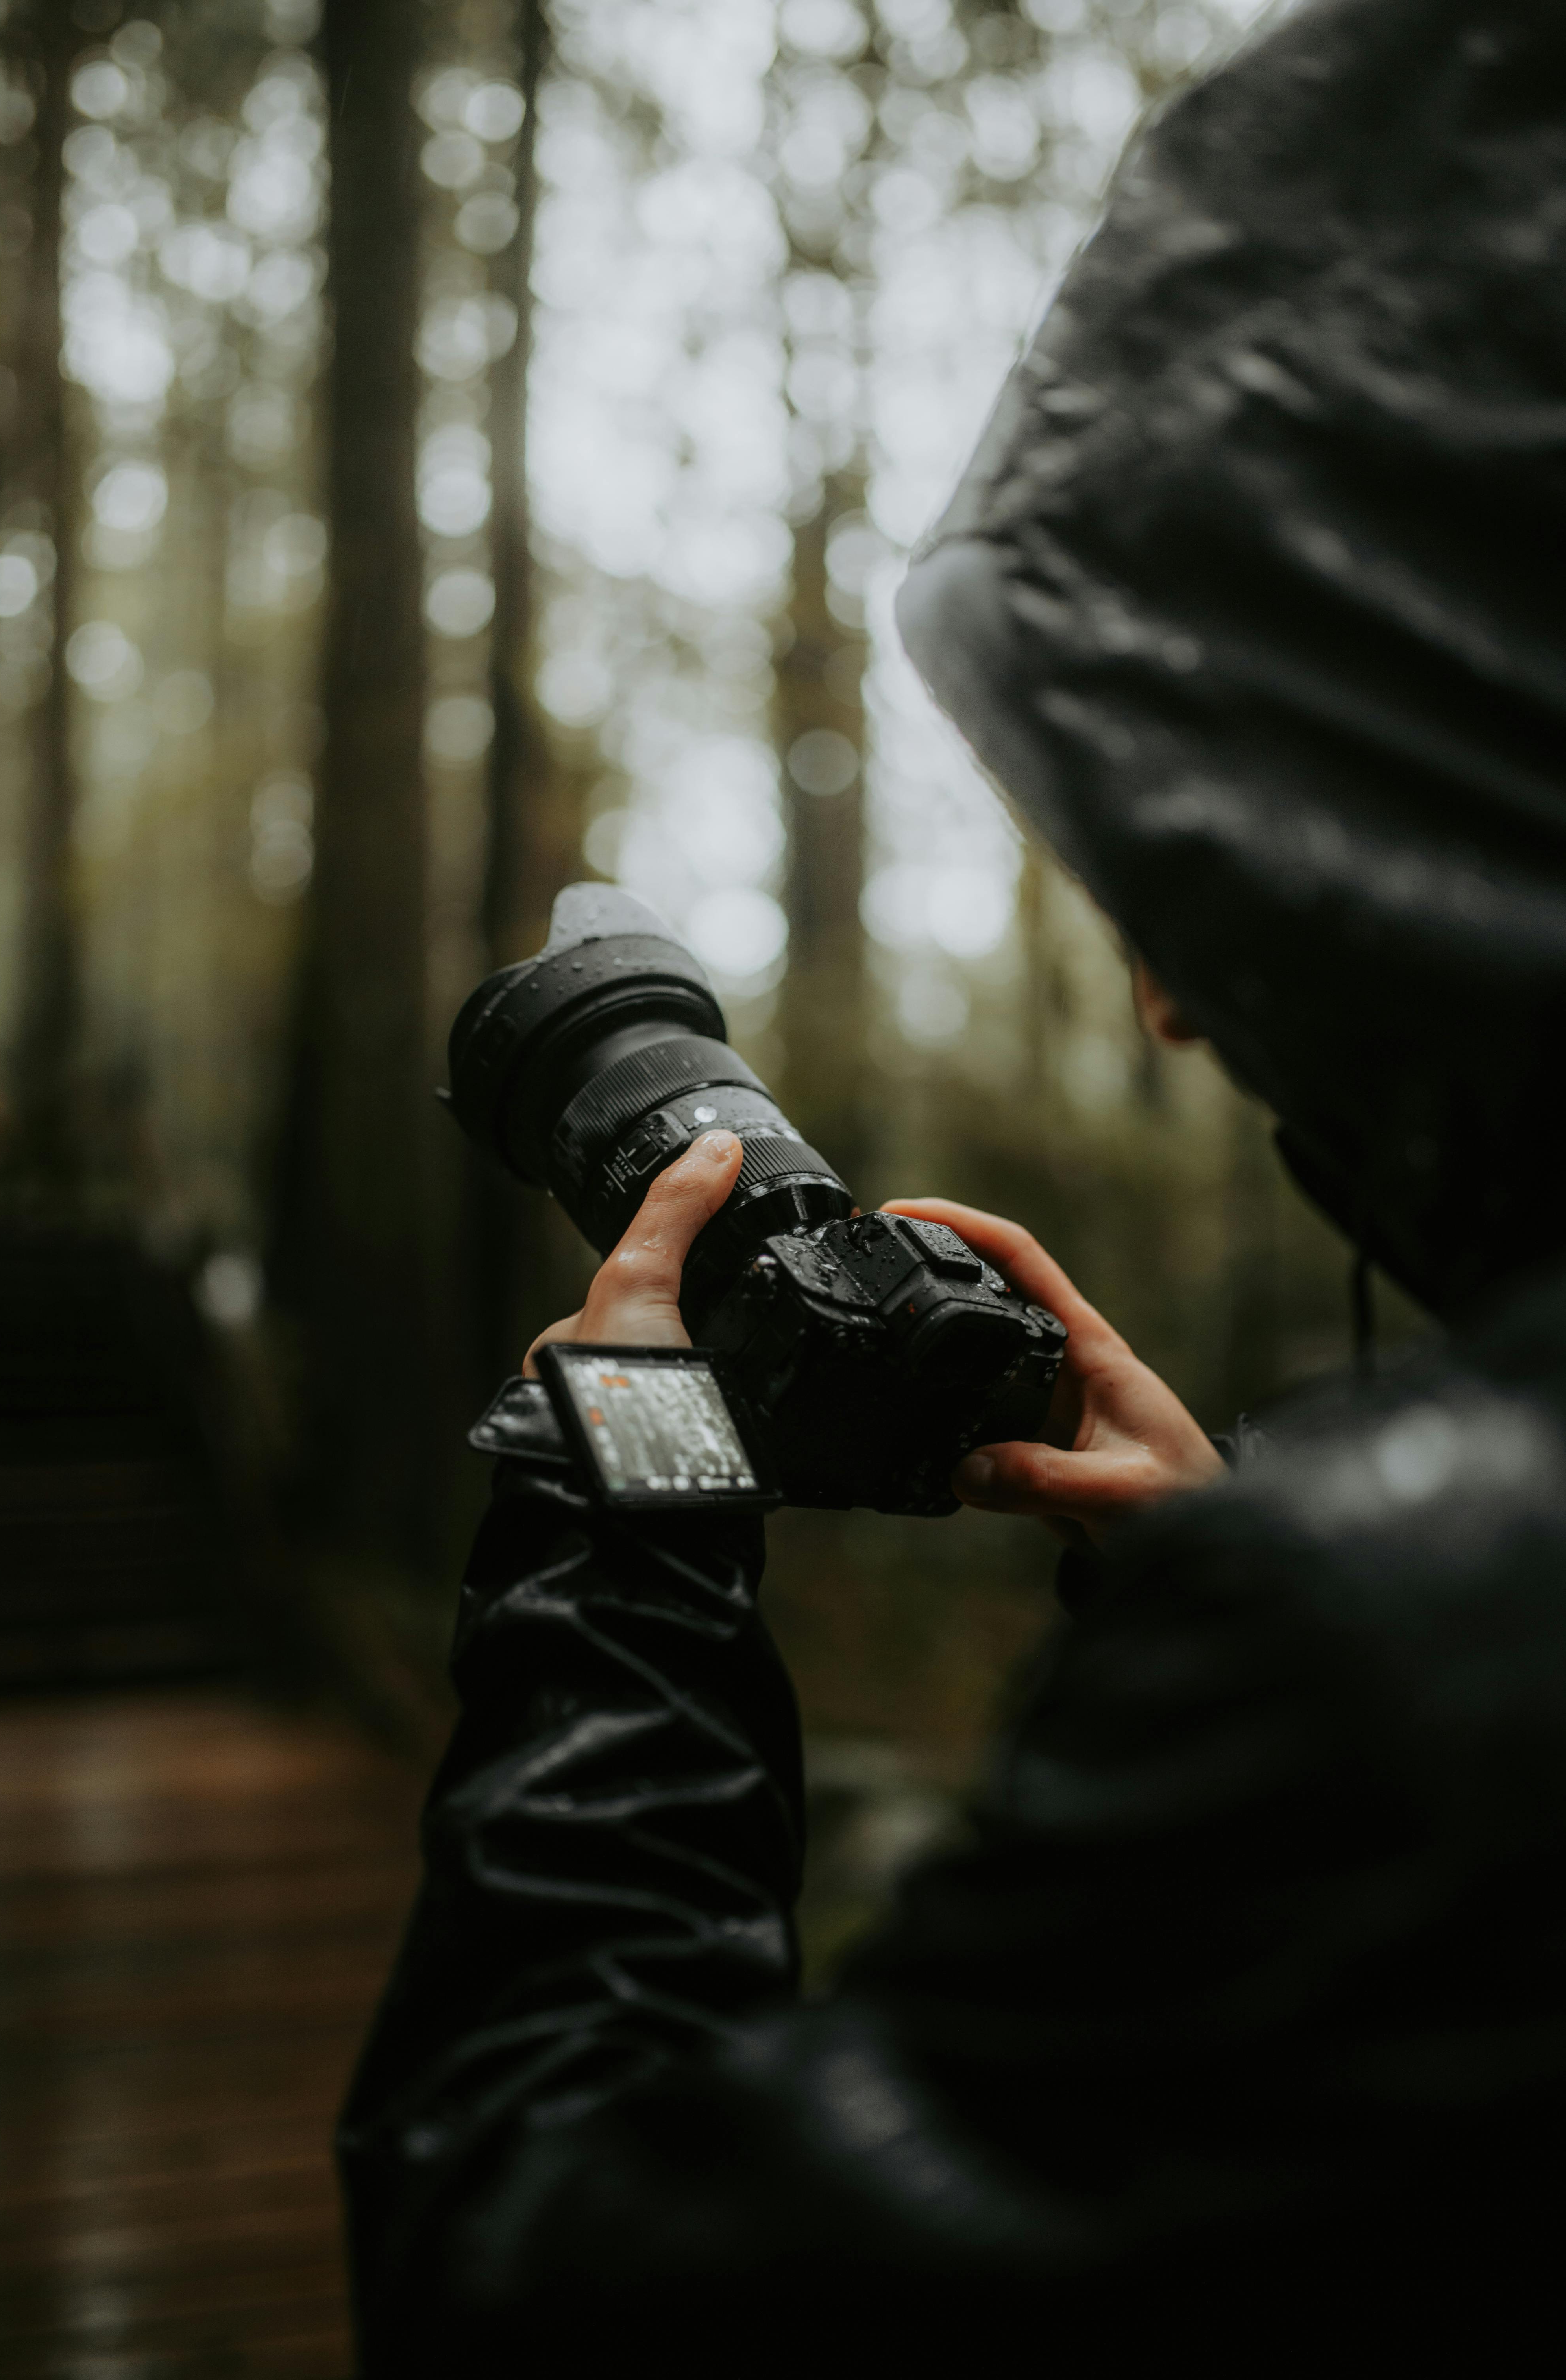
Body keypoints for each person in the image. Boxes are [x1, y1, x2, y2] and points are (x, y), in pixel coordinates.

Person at [339, 0, 1566, 2364]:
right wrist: (1242, 1556)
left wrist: (628, 1501)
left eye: (1206, 874)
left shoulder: (1419, 1651)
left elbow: (534, 2283)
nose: (1168, 1009)